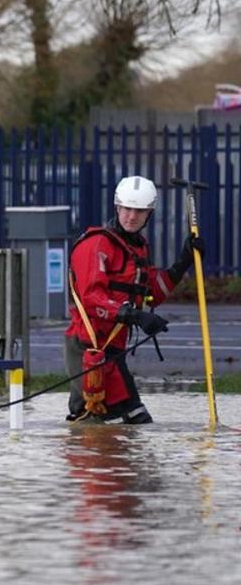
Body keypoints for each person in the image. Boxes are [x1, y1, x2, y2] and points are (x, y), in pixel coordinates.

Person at [65, 175, 203, 424]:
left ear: (149, 214)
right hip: (89, 345)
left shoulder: (137, 248)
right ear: (117, 207)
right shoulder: (96, 244)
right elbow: (91, 299)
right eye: (127, 209)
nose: (131, 216)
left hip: (112, 348)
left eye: (139, 211)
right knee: (109, 419)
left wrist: (184, 261)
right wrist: (135, 316)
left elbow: (153, 293)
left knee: (111, 423)